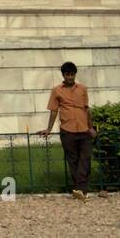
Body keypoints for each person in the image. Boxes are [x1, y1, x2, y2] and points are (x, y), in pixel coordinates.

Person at [36, 61, 97, 200]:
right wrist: (49, 129)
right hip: (67, 130)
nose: (70, 77)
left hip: (84, 129)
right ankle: (81, 191)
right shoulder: (57, 90)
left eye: (72, 74)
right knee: (73, 162)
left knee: (85, 160)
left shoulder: (82, 89)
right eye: (67, 74)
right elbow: (53, 111)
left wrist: (91, 127)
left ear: (75, 74)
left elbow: (87, 109)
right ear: (63, 75)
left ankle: (79, 189)